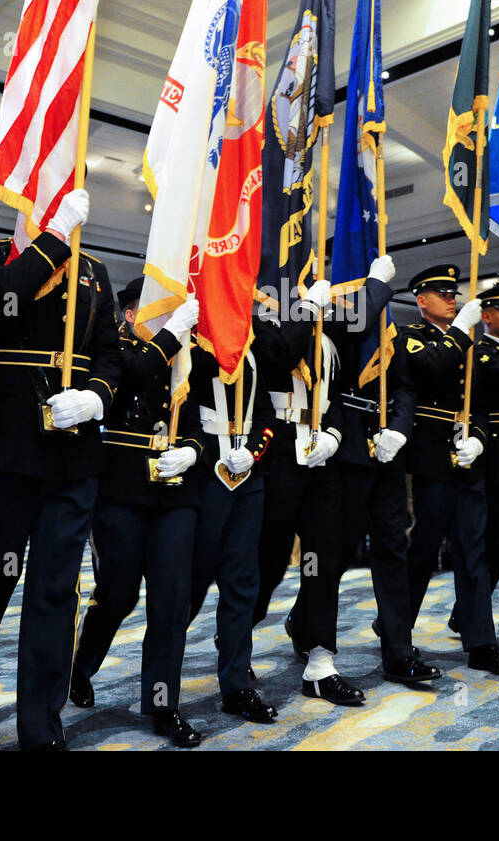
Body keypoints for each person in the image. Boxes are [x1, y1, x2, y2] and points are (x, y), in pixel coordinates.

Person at [0, 187, 121, 751]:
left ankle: (41, 724)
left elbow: (109, 350)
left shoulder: (95, 270)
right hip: (6, 446)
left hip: (74, 449)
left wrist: (96, 396)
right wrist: (54, 238)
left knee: (56, 589)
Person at [70, 283, 207, 747]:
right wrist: (170, 336)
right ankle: (80, 667)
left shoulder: (183, 358)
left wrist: (190, 450)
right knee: (118, 593)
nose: (171, 323)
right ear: (131, 315)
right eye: (155, 312)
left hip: (175, 493)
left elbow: (198, 425)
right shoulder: (116, 347)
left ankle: (163, 704)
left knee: (171, 603)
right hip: (121, 487)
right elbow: (128, 376)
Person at [314, 256, 442, 685]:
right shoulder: (320, 312)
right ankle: (308, 627)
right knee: (338, 553)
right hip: (344, 446)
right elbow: (353, 329)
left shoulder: (390, 328)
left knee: (392, 549)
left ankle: (398, 651)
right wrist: (373, 285)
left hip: (386, 450)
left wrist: (400, 431)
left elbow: (405, 386)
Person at [399, 265, 499, 677]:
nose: (452, 299)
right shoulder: (410, 338)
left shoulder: (471, 347)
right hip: (432, 459)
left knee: (474, 555)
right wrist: (461, 331)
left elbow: (484, 405)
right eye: (441, 293)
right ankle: (397, 634)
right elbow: (429, 369)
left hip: (469, 459)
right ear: (421, 301)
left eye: (454, 293)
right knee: (422, 553)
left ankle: (482, 643)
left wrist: (480, 440)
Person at [253, 278, 363, 704]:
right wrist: (305, 311)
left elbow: (339, 392)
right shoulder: (263, 319)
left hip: (320, 456)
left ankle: (320, 661)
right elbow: (276, 358)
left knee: (323, 559)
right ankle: (238, 643)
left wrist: (335, 433)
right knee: (269, 559)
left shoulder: (329, 332)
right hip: (275, 453)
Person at [182, 307, 279, 723]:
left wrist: (253, 450)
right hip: (203, 473)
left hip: (245, 477)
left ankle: (237, 685)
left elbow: (268, 414)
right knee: (188, 585)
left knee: (242, 583)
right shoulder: (191, 334)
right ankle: (161, 687)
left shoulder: (253, 340)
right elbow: (177, 403)